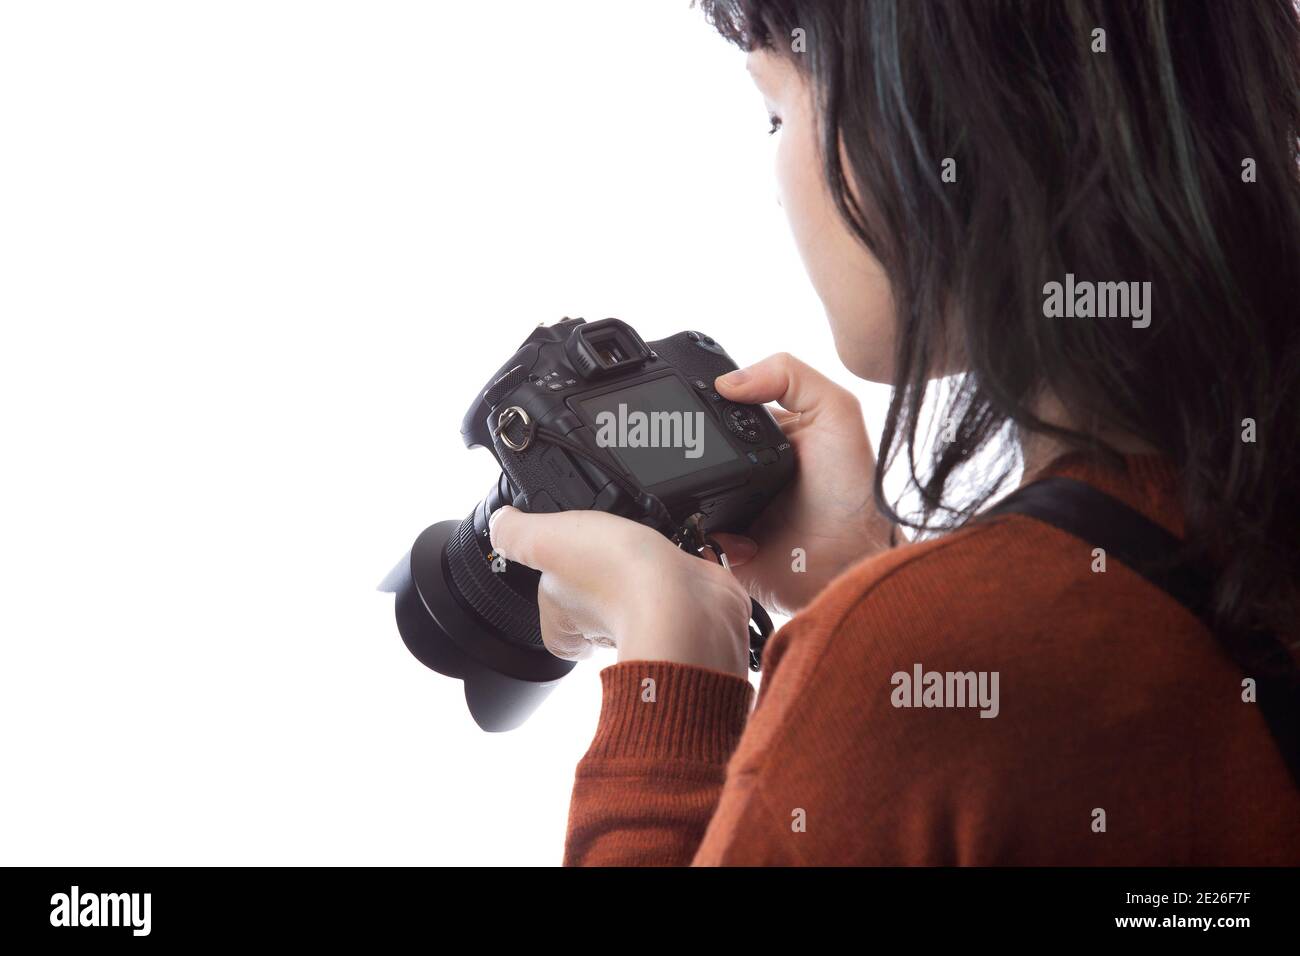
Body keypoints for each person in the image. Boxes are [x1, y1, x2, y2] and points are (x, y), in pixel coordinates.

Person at [487, 0, 1300, 864]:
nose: (773, 170)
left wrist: (671, 670)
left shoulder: (897, 661)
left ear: (929, 119)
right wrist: (871, 582)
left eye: (776, 112)